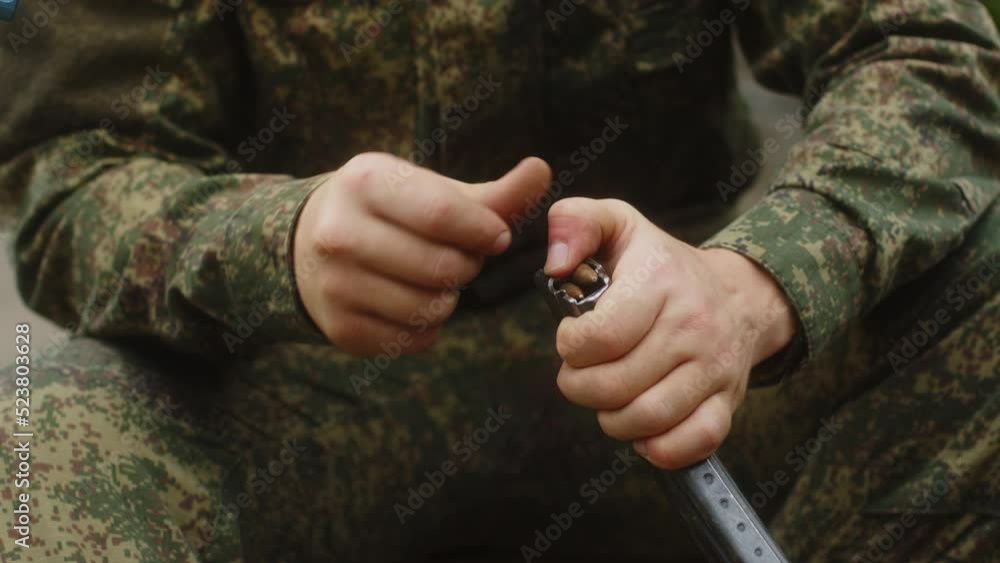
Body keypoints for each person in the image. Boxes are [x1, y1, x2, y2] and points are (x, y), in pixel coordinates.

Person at [0, 0, 996, 561]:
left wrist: (756, 280)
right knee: (44, 442)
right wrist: (276, 240)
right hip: (304, 385)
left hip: (693, 370)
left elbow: (923, 45)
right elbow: (70, 166)